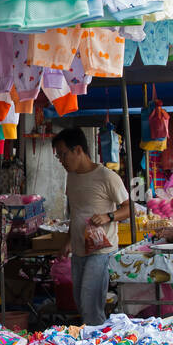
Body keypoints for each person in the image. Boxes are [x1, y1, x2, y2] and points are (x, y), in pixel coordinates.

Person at [54, 127, 130, 326]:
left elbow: (130, 209)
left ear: (78, 150)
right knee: (80, 303)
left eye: (63, 154)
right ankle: (96, 341)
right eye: (58, 156)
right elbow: (76, 213)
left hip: (101, 251)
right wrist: (68, 241)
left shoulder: (107, 177)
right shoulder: (71, 178)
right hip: (79, 250)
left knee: (90, 304)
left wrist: (109, 216)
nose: (61, 161)